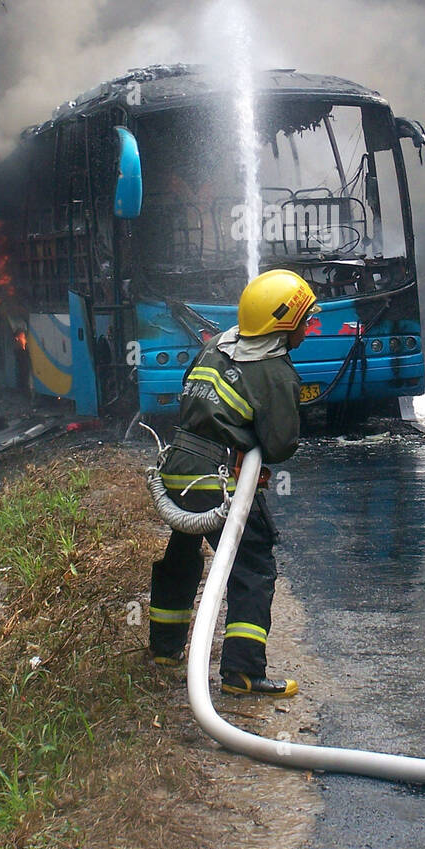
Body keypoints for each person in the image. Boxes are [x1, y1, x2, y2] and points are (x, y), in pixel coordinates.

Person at [148, 268, 316, 696]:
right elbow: (279, 445)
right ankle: (242, 673)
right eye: (304, 319)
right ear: (284, 323)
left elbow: (193, 396)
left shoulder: (215, 347)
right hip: (222, 479)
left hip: (179, 468)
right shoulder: (275, 371)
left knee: (181, 556)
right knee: (253, 565)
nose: (309, 327)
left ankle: (164, 650)